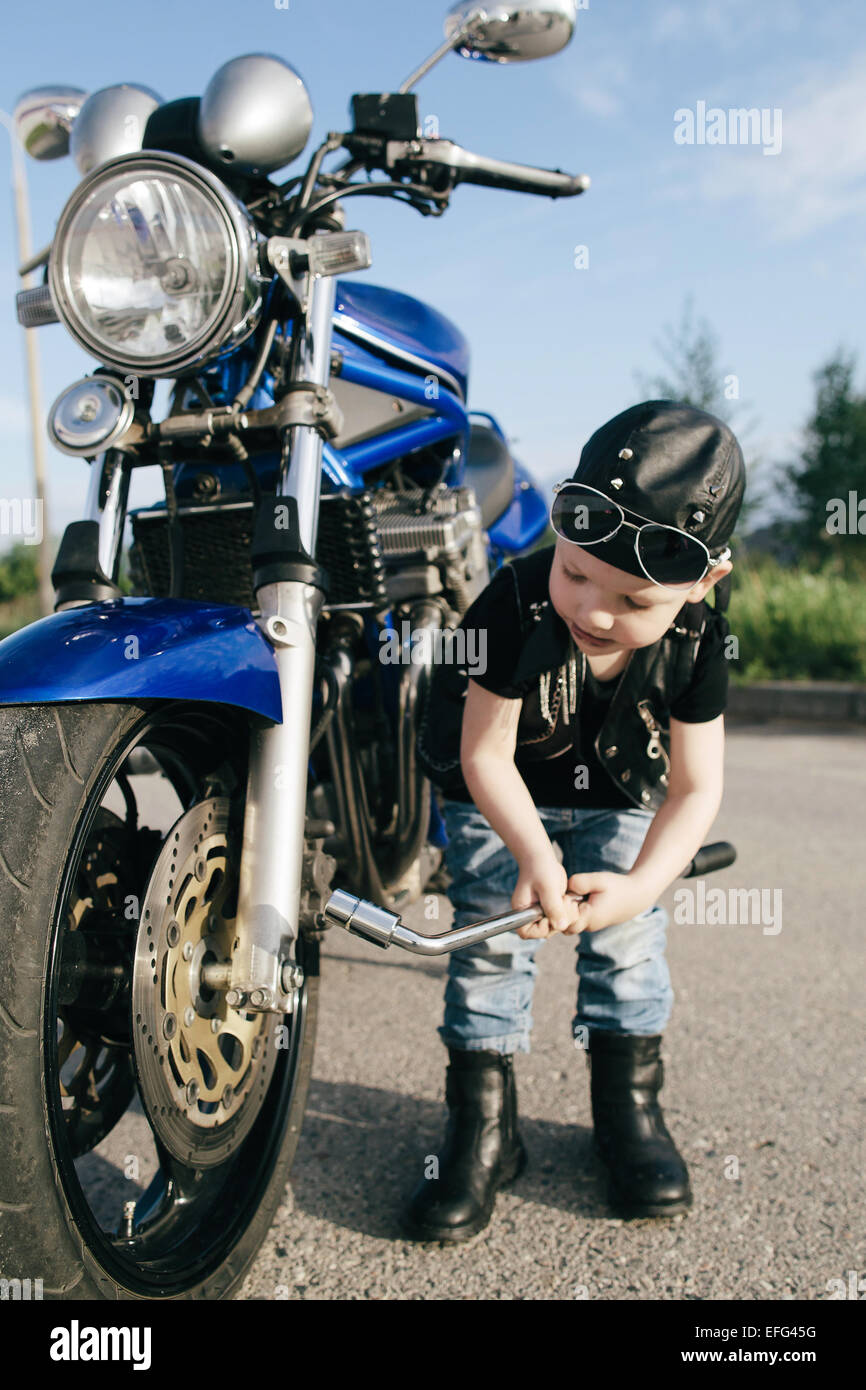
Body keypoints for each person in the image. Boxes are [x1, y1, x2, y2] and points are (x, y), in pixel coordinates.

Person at [406, 399, 746, 1242]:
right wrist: (532, 852)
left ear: (704, 581)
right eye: (578, 572)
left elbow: (696, 788)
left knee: (629, 948)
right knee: (491, 938)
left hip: (623, 789)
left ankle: (628, 1117)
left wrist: (637, 889)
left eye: (633, 599)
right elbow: (485, 756)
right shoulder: (516, 602)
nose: (593, 611)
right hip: (500, 787)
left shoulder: (700, 639)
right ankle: (483, 1130)